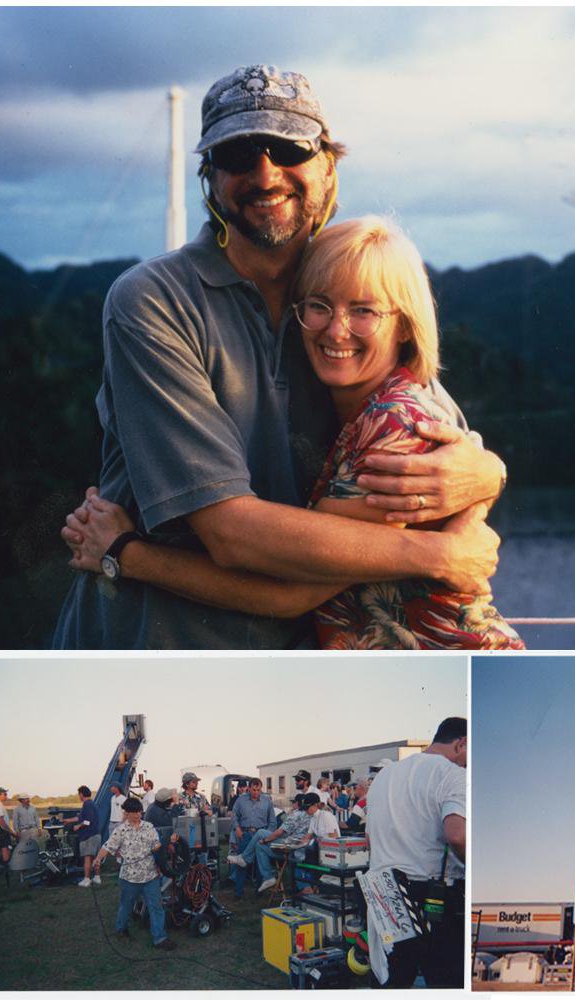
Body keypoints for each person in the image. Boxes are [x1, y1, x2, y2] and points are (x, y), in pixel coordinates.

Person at [55, 64, 506, 651]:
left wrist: (491, 470)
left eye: (287, 148)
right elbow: (232, 533)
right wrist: (439, 554)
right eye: (239, 154)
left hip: (300, 660)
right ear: (210, 178)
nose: (265, 173)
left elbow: (447, 446)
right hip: (152, 647)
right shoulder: (153, 300)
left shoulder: (346, 295)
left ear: (327, 166)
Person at [364, 716, 466, 987]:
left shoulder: (385, 776)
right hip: (431, 896)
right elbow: (457, 834)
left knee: (393, 977)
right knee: (444, 979)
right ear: (461, 744)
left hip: (383, 892)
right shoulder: (453, 774)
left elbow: (368, 837)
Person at [92, 798, 177, 951]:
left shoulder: (149, 827)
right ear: (127, 813)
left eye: (139, 811)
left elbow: (156, 845)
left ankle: (160, 938)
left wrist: (166, 843)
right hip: (129, 878)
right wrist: (98, 858)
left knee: (156, 907)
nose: (138, 814)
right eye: (134, 812)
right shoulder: (120, 830)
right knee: (126, 906)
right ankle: (121, 929)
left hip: (150, 876)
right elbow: (108, 846)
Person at [229, 777, 277, 898]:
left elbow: (272, 821)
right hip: (245, 834)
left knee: (260, 862)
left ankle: (259, 891)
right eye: (253, 789)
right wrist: (237, 829)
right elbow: (234, 816)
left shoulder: (267, 801)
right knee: (242, 863)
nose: (256, 792)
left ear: (261, 789)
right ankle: (238, 892)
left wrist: (268, 835)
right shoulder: (241, 800)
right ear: (249, 788)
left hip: (261, 834)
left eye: (258, 790)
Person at [69, 785, 101, 887]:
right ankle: (96, 877)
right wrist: (68, 820)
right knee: (95, 858)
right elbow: (81, 817)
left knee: (87, 857)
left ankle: (86, 879)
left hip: (88, 836)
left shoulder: (87, 804)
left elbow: (88, 821)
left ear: (82, 794)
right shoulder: (91, 804)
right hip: (95, 834)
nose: (79, 796)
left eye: (79, 794)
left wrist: (78, 826)